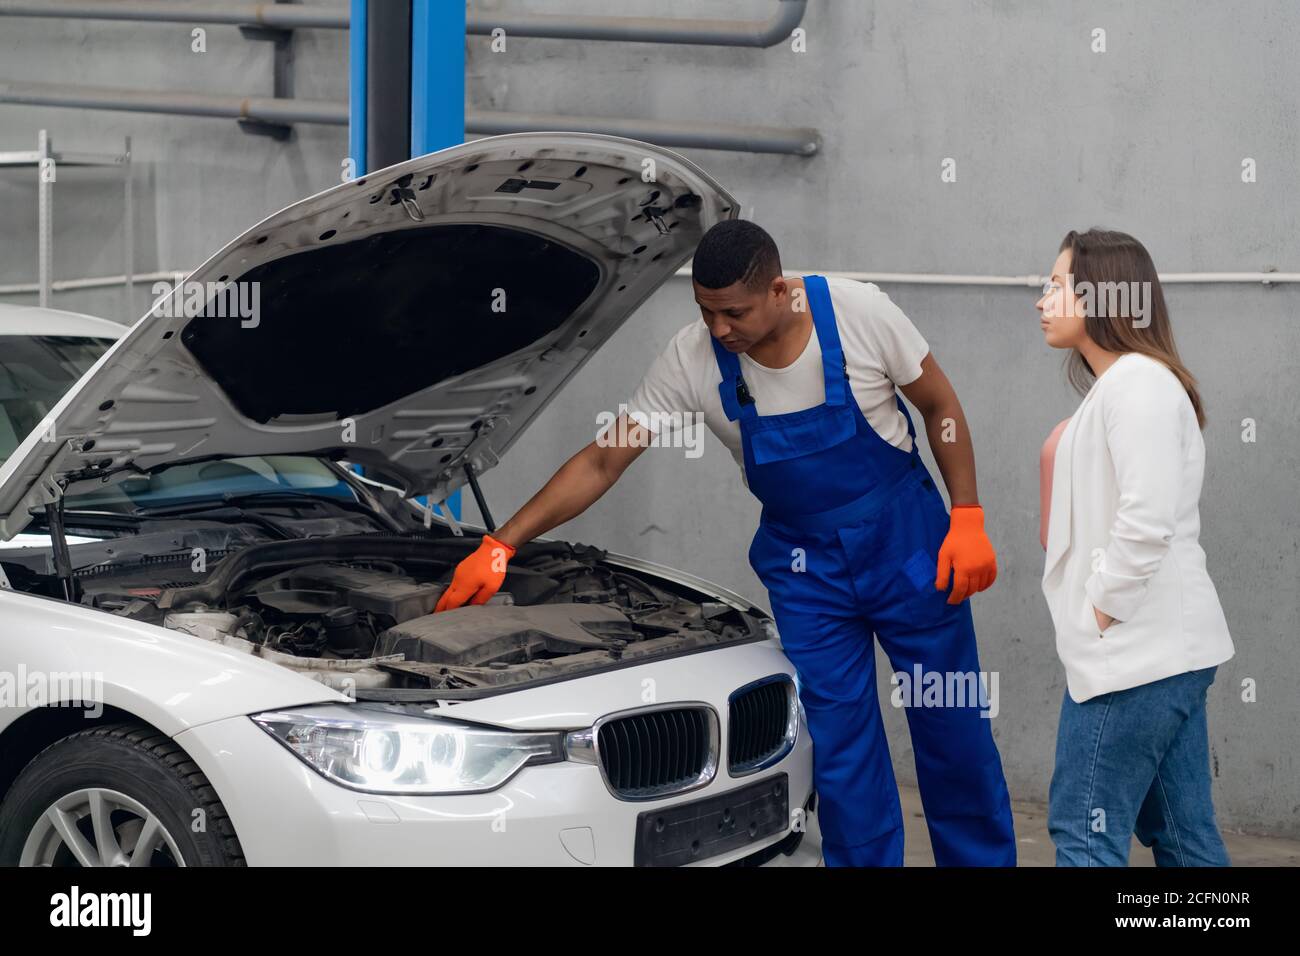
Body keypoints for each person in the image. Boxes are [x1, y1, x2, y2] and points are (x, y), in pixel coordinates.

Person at [438, 219, 1016, 866]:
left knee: (953, 734)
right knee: (841, 753)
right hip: (808, 575)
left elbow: (939, 405)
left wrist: (967, 515)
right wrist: (502, 543)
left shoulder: (858, 312)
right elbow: (604, 461)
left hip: (909, 550)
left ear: (777, 290)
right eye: (706, 311)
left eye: (734, 312)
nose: (720, 329)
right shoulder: (692, 359)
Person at [1037, 228, 1235, 866]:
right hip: (1157, 655)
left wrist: (1100, 613)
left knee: (1083, 833)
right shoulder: (1125, 386)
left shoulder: (1138, 386)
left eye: (1057, 285)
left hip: (1134, 658)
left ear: (1102, 296)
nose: (1042, 299)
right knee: (1182, 839)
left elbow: (1145, 522)